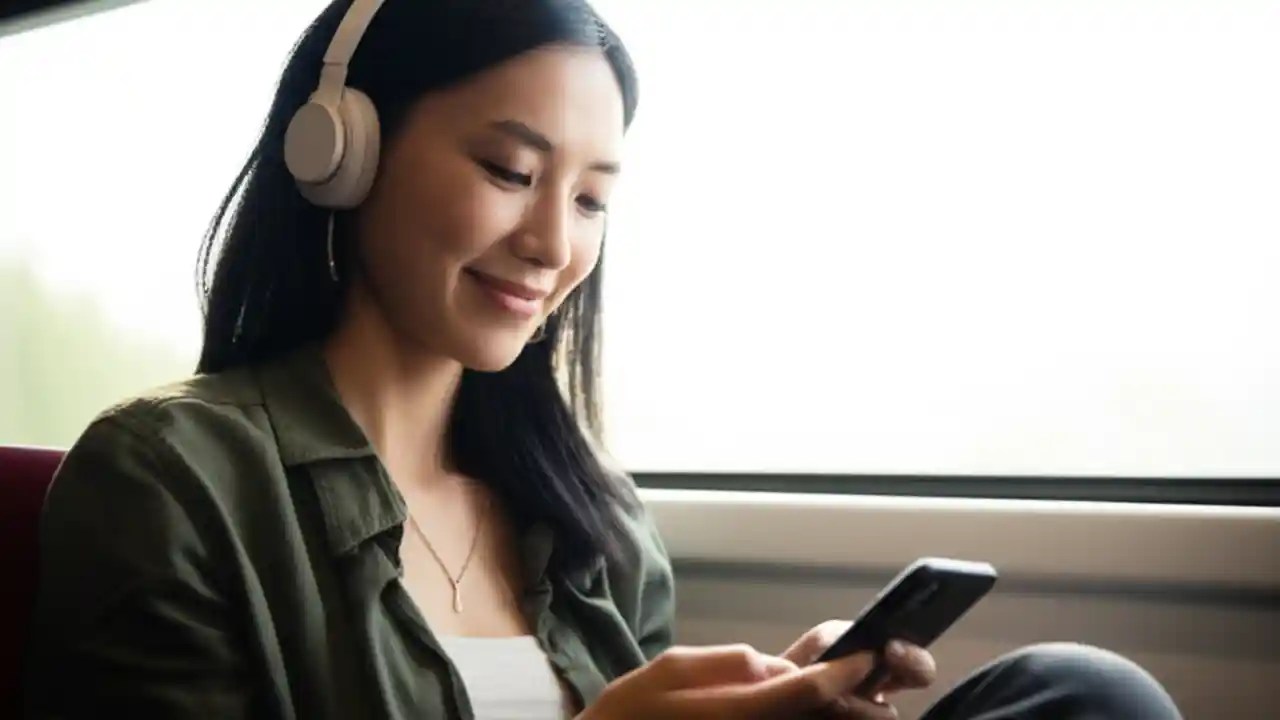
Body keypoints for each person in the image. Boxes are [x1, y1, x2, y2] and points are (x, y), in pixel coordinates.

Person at [22, 0, 1184, 718]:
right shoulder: (171, 482)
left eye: (589, 199)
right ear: (343, 152)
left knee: (1082, 691)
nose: (552, 244)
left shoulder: (587, 516)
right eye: (510, 173)